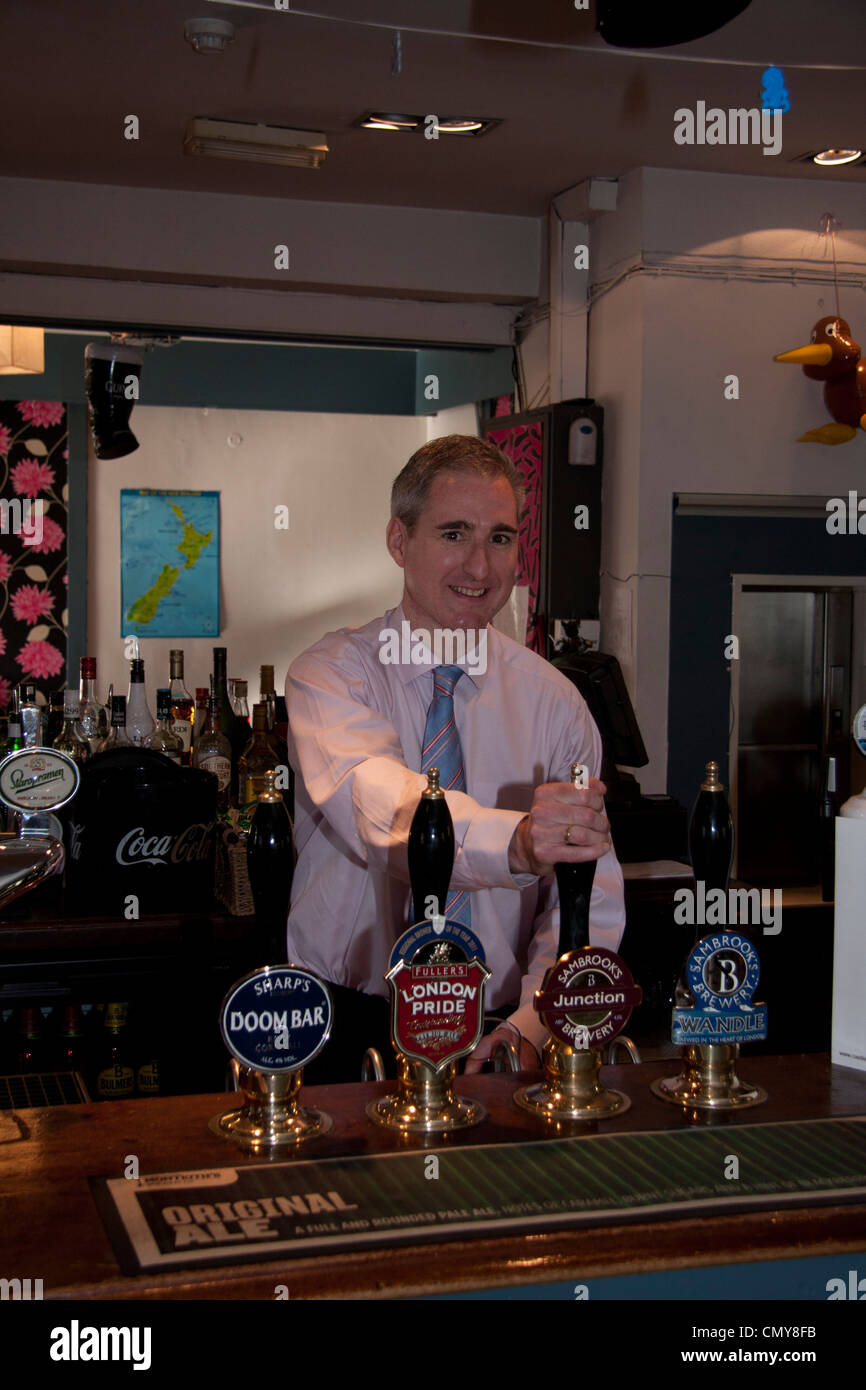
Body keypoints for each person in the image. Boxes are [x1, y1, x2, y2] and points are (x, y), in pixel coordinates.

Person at [285, 434, 625, 1083]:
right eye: (453, 534)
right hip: (351, 1023)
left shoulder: (555, 703)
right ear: (398, 541)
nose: (480, 566)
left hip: (501, 1031)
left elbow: (589, 893)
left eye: (500, 538)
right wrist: (518, 844)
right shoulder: (333, 676)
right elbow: (377, 803)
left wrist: (534, 1019)